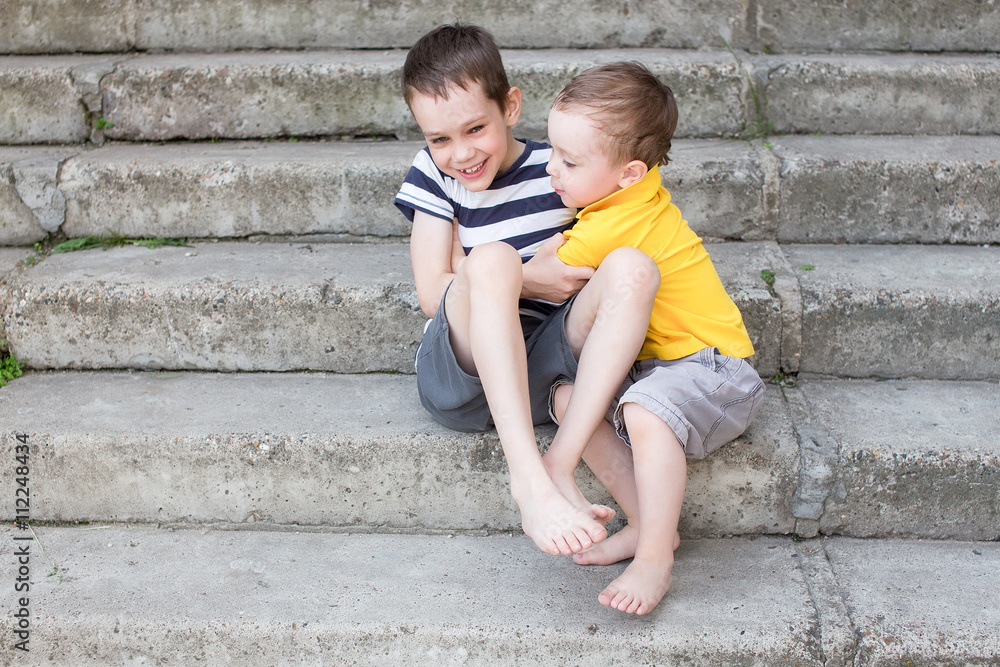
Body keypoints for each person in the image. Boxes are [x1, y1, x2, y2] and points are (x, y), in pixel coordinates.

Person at [394, 25, 661, 557]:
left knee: (633, 266)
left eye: (475, 128)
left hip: (544, 366)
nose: (460, 153)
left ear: (510, 106)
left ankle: (655, 530)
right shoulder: (434, 177)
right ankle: (530, 483)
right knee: (492, 259)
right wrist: (527, 276)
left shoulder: (558, 168)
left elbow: (611, 243)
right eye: (439, 138)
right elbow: (433, 293)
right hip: (461, 376)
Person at [541, 61, 765, 615]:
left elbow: (546, 274)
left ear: (630, 173)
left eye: (570, 162)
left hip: (718, 370)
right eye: (552, 152)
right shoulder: (633, 194)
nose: (552, 171)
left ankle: (655, 561)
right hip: (662, 369)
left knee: (642, 409)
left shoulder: (610, 226)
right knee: (568, 398)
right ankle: (645, 524)